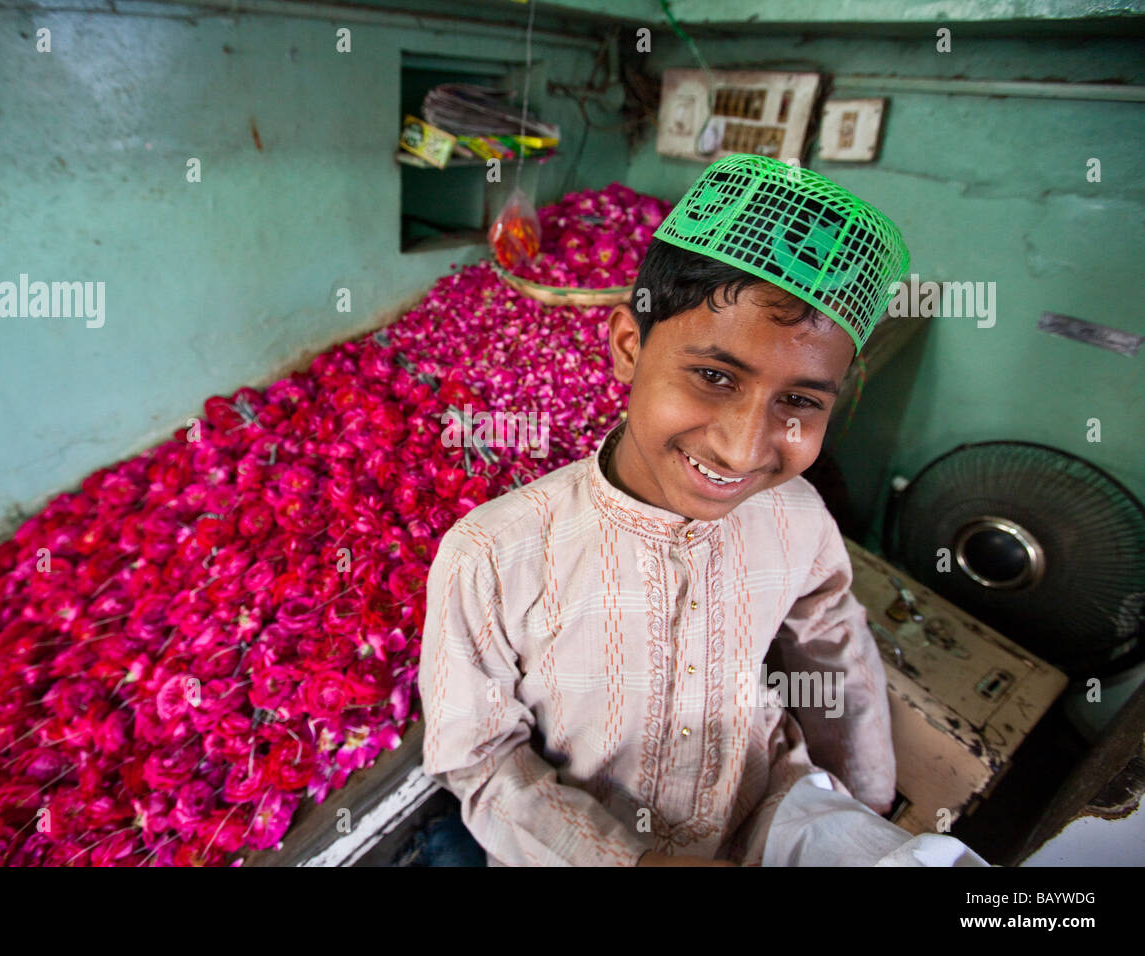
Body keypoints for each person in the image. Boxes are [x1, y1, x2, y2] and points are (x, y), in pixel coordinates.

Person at [418, 153, 987, 867]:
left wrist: (864, 807)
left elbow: (835, 651)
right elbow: (478, 757)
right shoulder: (493, 554)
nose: (745, 448)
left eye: (801, 401)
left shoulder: (798, 516)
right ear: (630, 346)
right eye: (714, 376)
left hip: (771, 813)